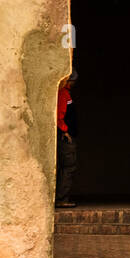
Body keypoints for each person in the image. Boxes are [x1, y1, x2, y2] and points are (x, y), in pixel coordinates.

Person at [56, 71, 78, 208]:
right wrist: (65, 130)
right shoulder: (63, 93)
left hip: (65, 134)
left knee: (66, 166)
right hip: (65, 137)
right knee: (68, 166)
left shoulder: (64, 93)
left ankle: (61, 197)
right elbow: (59, 114)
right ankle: (61, 198)